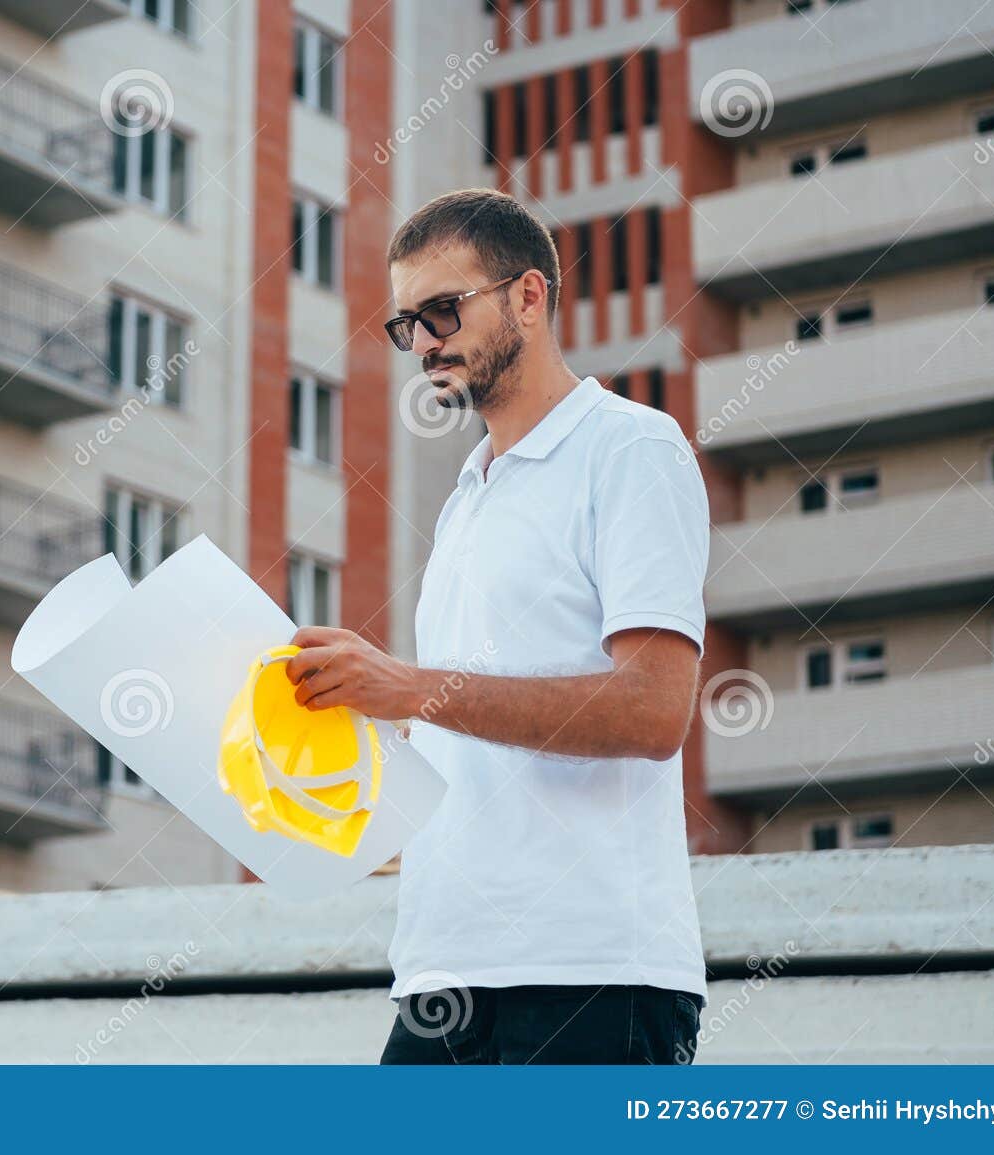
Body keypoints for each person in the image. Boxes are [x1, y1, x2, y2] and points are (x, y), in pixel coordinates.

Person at [284, 188, 709, 1064]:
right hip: (443, 973)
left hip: (592, 976)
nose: (425, 342)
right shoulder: (468, 495)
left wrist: (411, 685)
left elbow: (654, 711)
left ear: (529, 296)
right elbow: (462, 724)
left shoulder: (631, 449)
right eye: (407, 324)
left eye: (443, 309)